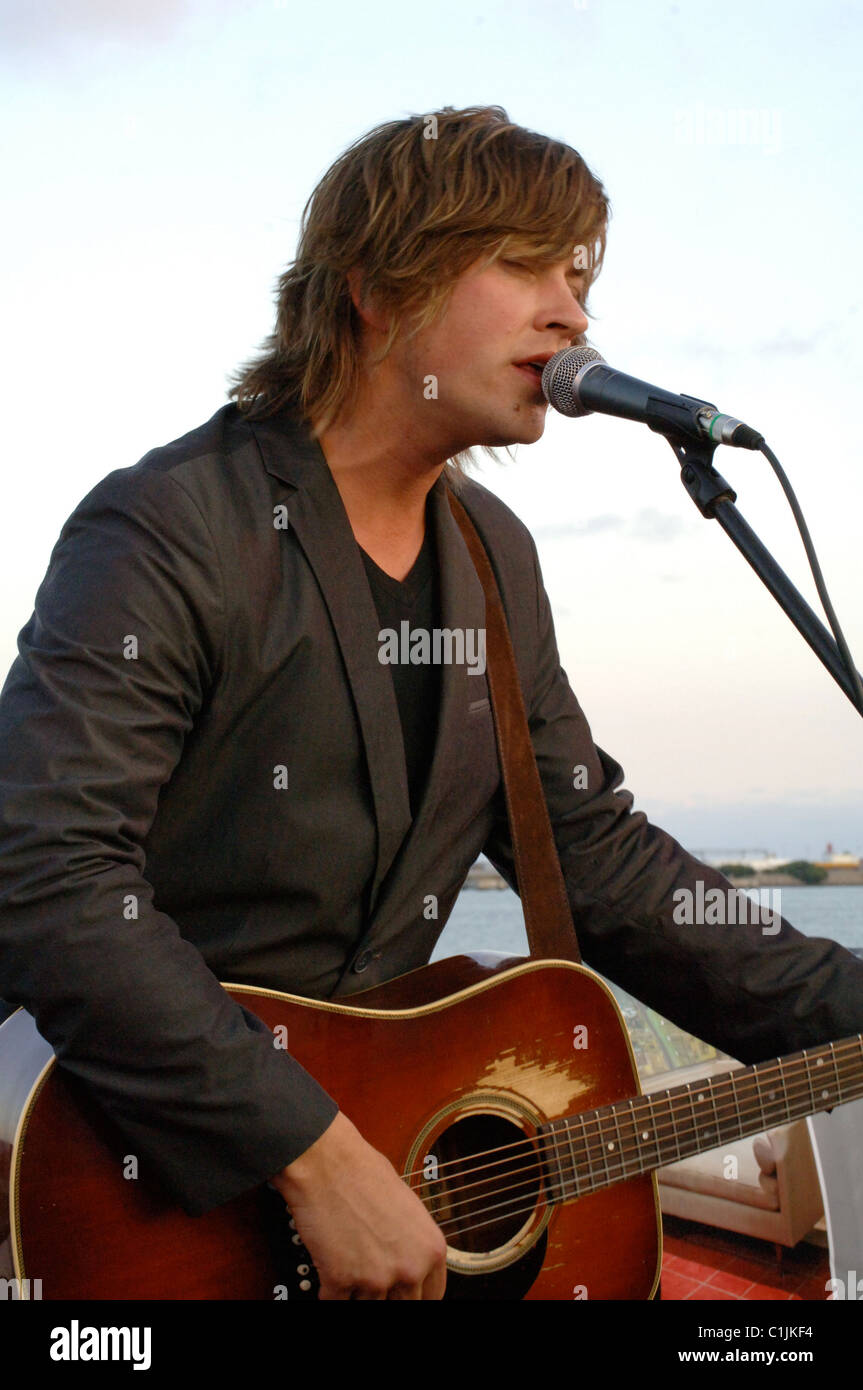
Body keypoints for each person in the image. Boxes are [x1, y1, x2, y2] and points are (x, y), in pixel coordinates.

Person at [0, 106, 861, 1302]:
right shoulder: (168, 527)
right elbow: (53, 873)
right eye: (527, 264)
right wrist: (305, 1150)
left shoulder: (493, 553)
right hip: (117, 1184)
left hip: (395, 1202)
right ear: (373, 288)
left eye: (578, 276)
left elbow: (599, 863)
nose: (573, 313)